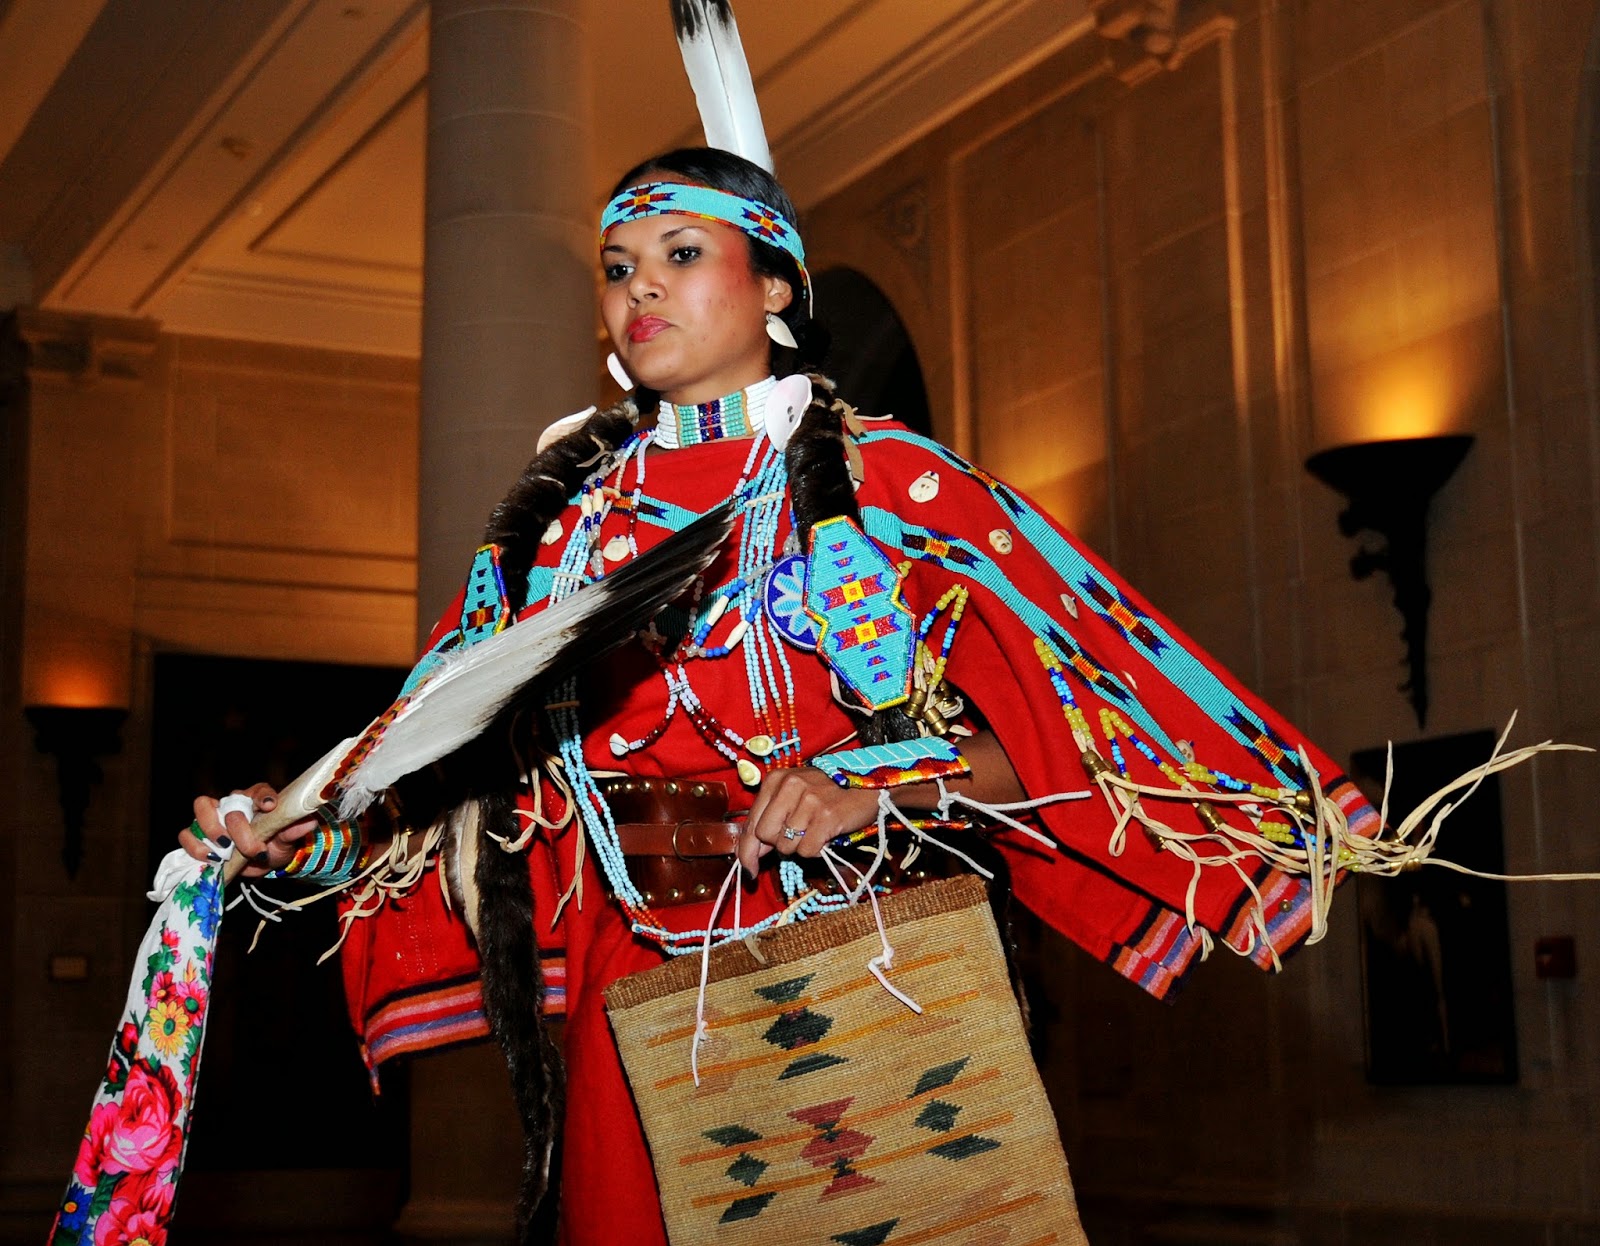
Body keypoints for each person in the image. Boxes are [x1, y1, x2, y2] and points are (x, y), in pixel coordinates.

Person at [179, 146, 1380, 1244]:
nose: (639, 290)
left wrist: (873, 787)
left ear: (773, 288)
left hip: (864, 970)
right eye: (616, 268)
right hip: (630, 994)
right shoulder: (555, 531)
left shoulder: (891, 486)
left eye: (680, 255)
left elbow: (1072, 747)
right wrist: (291, 821)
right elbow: (426, 755)